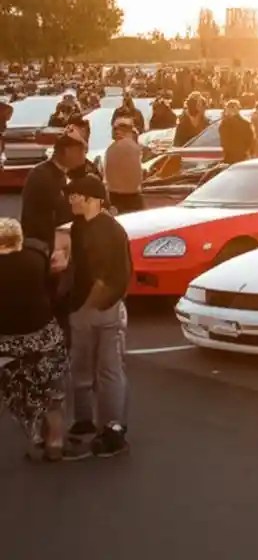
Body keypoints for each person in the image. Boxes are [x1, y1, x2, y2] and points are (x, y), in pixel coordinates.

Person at [65, 174, 133, 458]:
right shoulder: (81, 226)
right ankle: (85, 421)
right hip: (89, 308)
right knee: (86, 367)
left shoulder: (108, 231)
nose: (70, 199)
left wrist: (88, 305)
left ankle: (112, 429)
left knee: (107, 370)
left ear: (92, 199)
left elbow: (110, 276)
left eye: (76, 195)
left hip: (100, 310)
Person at [0, 218, 74, 462]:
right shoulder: (36, 259)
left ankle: (34, 438)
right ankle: (55, 442)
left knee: (17, 390)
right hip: (43, 336)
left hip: (7, 342)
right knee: (52, 391)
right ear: (18, 240)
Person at [21, 133, 89, 250]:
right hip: (41, 243)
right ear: (68, 151)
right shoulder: (44, 176)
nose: (83, 159)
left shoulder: (53, 173)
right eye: (82, 152)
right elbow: (62, 211)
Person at [103, 120, 144, 213]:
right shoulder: (133, 147)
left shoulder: (110, 149)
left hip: (114, 197)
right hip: (132, 197)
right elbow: (137, 177)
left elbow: (107, 175)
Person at [219, 99, 256, 164]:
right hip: (242, 158)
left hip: (228, 158)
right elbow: (251, 141)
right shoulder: (246, 123)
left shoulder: (225, 123)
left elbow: (223, 141)